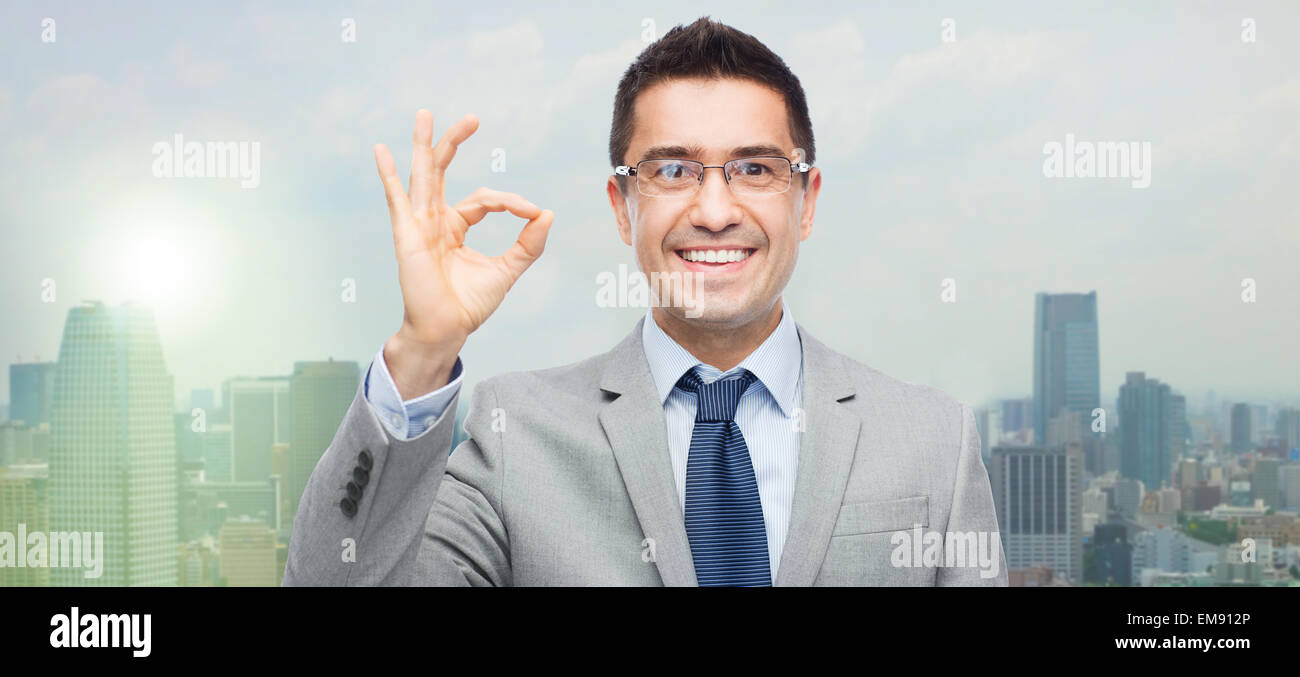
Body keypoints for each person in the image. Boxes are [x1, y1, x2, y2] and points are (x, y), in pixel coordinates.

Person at [283, 17, 1006, 586]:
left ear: (805, 202)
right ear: (623, 207)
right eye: (673, 169)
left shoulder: (932, 441)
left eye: (756, 168)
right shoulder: (513, 437)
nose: (715, 209)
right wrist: (422, 349)